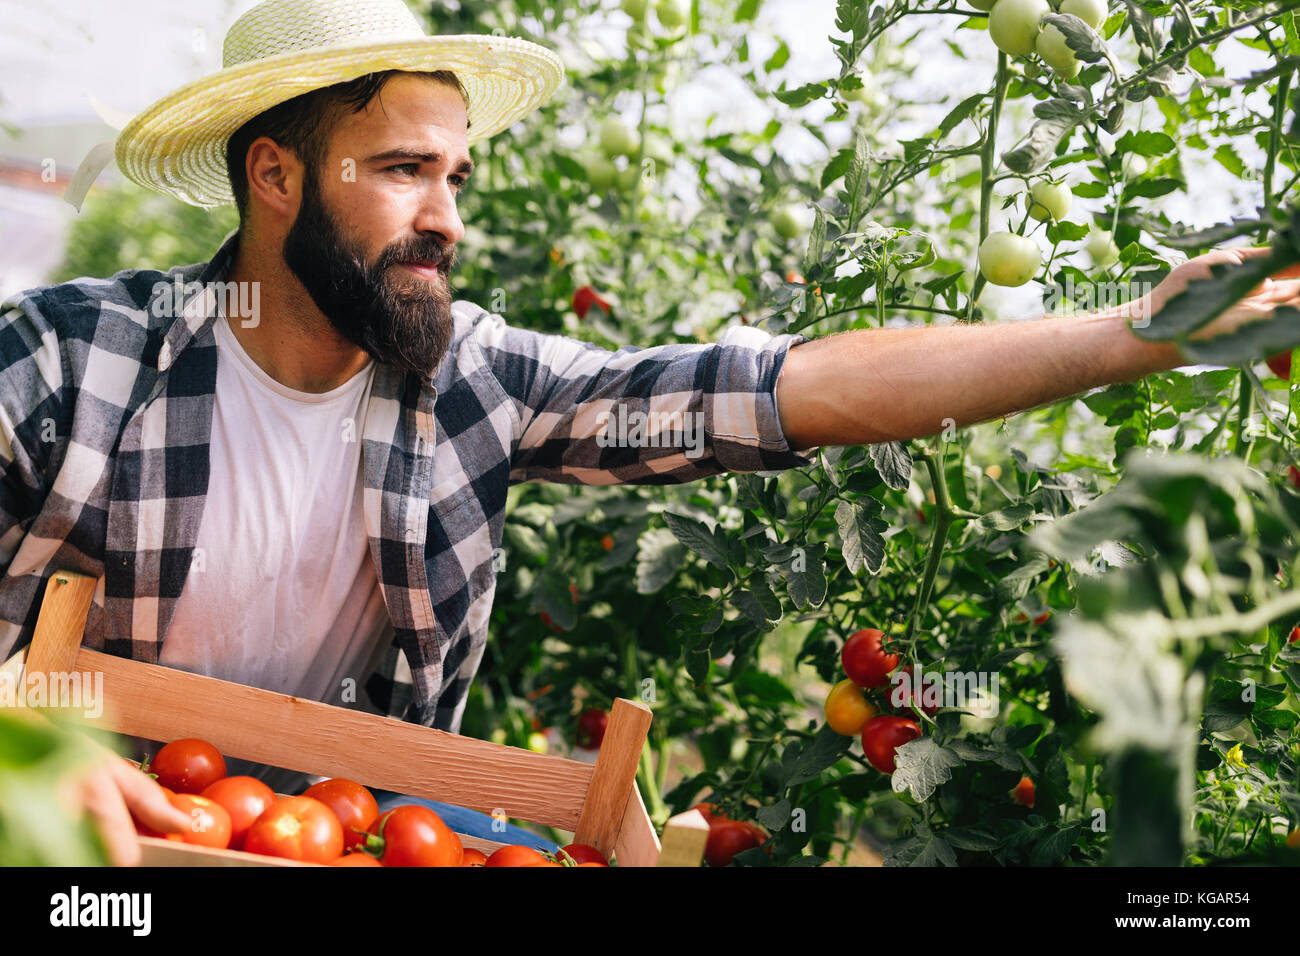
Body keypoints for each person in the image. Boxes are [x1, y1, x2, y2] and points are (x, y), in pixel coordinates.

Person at [2, 0, 1298, 866]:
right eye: (404, 171)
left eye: (458, 175)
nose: (448, 216)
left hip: (340, 827)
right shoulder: (72, 362)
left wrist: (1138, 332)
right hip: (98, 824)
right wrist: (19, 751)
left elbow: (787, 391)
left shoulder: (475, 379)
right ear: (275, 177)